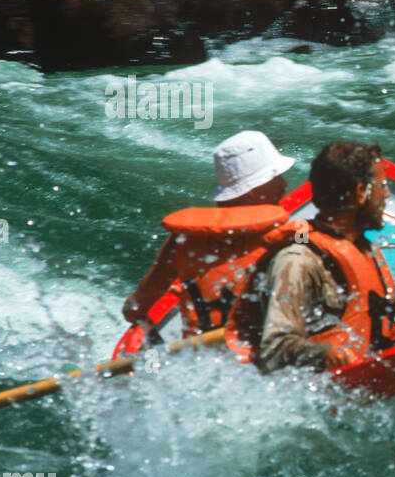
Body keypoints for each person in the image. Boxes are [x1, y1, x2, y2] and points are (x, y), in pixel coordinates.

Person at [239, 141, 395, 373]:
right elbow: (274, 349)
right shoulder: (297, 259)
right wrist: (325, 354)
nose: (386, 194)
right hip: (322, 392)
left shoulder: (364, 248)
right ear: (360, 193)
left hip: (377, 377)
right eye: (382, 185)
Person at [122, 130, 295, 331]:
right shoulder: (289, 235)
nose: (285, 185)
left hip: (201, 357)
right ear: (253, 191)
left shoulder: (183, 239)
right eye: (276, 178)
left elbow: (133, 310)